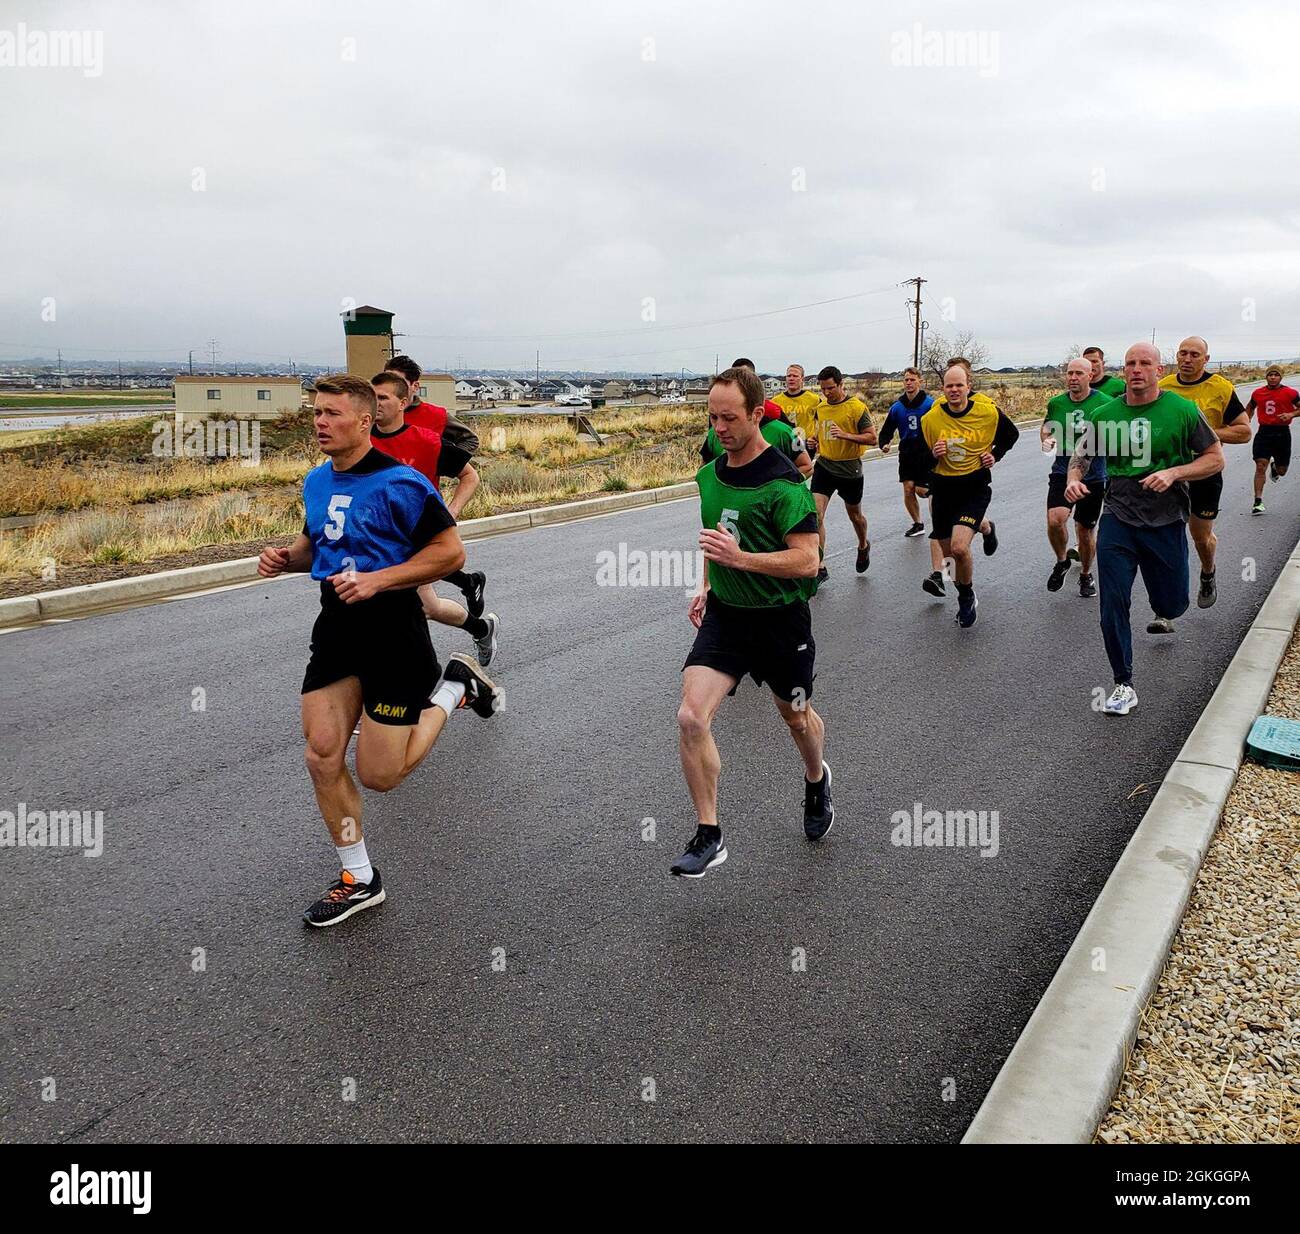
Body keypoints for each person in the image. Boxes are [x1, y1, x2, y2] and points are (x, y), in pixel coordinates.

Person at [257, 374, 502, 927]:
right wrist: (284, 560)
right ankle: (359, 878)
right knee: (321, 753)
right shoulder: (317, 482)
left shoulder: (403, 484)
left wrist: (381, 580)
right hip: (338, 630)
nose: (320, 422)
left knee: (380, 776)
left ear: (365, 421)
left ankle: (455, 687)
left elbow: (450, 554)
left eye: (333, 413)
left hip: (393, 635)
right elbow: (314, 546)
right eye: (316, 412)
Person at [673, 367, 831, 878]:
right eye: (712, 417)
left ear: (757, 414)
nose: (718, 427)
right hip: (727, 619)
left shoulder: (783, 482)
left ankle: (815, 779)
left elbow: (808, 560)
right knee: (691, 716)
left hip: (781, 622)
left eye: (729, 418)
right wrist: (707, 582)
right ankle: (709, 833)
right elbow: (714, 536)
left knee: (796, 718)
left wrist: (741, 560)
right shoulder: (709, 475)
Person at [1066, 344, 1224, 716]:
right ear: (1124, 370)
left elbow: (1214, 458)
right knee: (1112, 604)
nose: (1136, 369)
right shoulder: (1106, 414)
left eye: (1144, 363)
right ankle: (1123, 683)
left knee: (1172, 604)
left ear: (1159, 369)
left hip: (1166, 520)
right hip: (1119, 517)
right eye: (1130, 364)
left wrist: (1174, 472)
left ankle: (1170, 603)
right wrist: (1073, 480)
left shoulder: (1182, 410)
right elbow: (1081, 457)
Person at [370, 372, 499, 665]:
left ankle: (408, 673)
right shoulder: (361, 442)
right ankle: (480, 628)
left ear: (403, 402)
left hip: (417, 537)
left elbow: (470, 476)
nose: (375, 404)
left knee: (410, 607)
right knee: (427, 606)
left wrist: (451, 511)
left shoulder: (425, 441)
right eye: (371, 397)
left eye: (383, 398)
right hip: (377, 539)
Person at [386, 355, 489, 617]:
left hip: (422, 505)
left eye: (397, 382)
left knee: (417, 576)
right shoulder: (379, 415)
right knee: (417, 579)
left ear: (414, 386)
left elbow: (470, 441)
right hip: (387, 507)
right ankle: (469, 585)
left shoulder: (435, 416)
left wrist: (440, 462)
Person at [920, 366, 1019, 627]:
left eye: (959, 385)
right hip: (943, 489)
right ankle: (985, 529)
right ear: (943, 389)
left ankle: (966, 596)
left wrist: (994, 455)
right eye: (949, 386)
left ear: (968, 386)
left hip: (974, 487)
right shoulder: (930, 420)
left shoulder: (986, 412)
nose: (954, 390)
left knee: (959, 548)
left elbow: (1011, 435)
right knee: (948, 558)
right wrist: (933, 454)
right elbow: (917, 460)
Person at [1157, 337, 1250, 607]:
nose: (1187, 359)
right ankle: (1165, 607)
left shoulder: (1220, 387)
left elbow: (1244, 432)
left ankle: (1208, 572)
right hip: (1169, 472)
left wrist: (1205, 435)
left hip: (1205, 472)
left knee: (1200, 536)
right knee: (1166, 536)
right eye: (1182, 353)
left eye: (1194, 355)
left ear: (1206, 359)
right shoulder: (1164, 387)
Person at [1041, 358, 1109, 597]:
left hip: (1093, 474)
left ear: (1090, 376)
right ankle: (1062, 561)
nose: (1072, 378)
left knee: (1085, 529)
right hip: (1061, 469)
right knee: (1055, 519)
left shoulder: (1104, 403)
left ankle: (1086, 575)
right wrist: (1046, 439)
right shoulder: (1057, 403)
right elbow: (1047, 426)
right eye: (1069, 373)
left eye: (1079, 373)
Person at [809, 366, 877, 580]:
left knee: (855, 517)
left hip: (849, 469)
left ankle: (863, 545)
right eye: (823, 389)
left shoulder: (856, 407)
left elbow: (872, 438)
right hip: (825, 466)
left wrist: (846, 435)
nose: (827, 393)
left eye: (830, 388)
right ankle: (820, 566)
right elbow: (821, 432)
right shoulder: (821, 408)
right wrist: (815, 440)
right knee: (816, 515)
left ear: (841, 385)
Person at [878, 366, 933, 537]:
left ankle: (940, 502)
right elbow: (887, 429)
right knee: (908, 488)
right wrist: (884, 443)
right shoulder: (897, 407)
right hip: (907, 452)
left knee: (921, 490)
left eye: (912, 380)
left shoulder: (930, 404)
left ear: (920, 382)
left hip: (925, 451)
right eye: (906, 380)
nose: (909, 383)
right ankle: (918, 523)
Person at [1246, 365, 1297, 514]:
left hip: (1282, 434)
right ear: (1266, 377)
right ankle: (1258, 501)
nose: (1273, 377)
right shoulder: (1258, 393)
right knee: (1260, 466)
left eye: (1276, 375)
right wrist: (1245, 420)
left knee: (1282, 471)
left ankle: (1275, 467)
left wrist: (1291, 414)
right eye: (1270, 375)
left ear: (1281, 377)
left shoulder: (1290, 393)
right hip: (1264, 433)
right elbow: (1250, 407)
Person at [771, 363, 823, 456]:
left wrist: (817, 439)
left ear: (802, 379)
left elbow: (824, 420)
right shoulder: (776, 401)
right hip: (784, 445)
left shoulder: (813, 399)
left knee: (803, 470)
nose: (791, 378)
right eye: (789, 376)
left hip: (806, 445)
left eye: (795, 376)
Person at [731, 357, 787, 422]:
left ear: (754, 377)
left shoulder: (773, 411)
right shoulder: (722, 409)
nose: (740, 380)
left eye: (744, 375)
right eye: (735, 376)